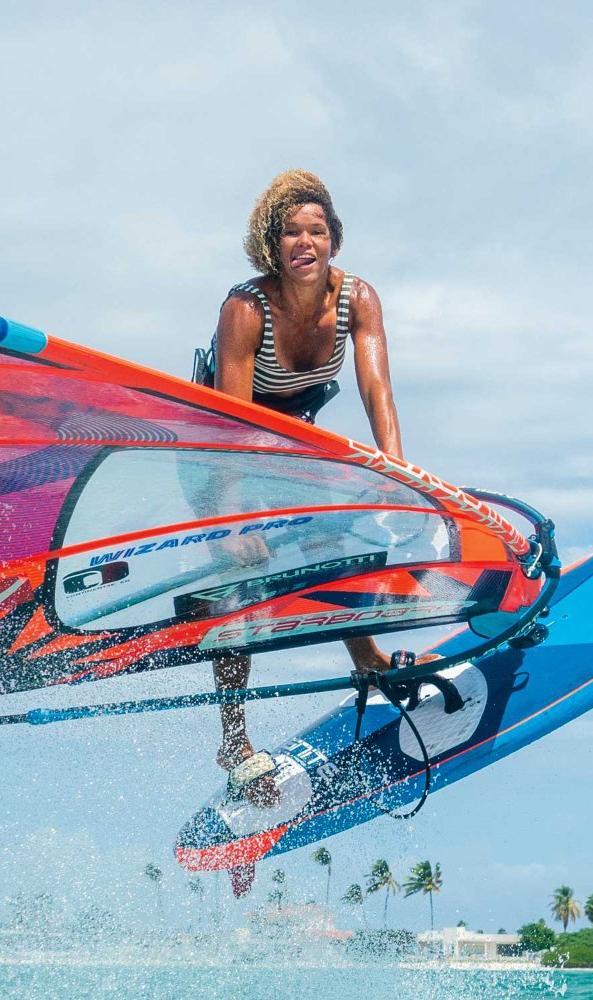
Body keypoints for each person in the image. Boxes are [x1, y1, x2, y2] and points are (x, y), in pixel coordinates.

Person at [197, 170, 426, 820]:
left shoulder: (358, 300)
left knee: (336, 537)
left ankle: (367, 661)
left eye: (316, 231)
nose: (305, 242)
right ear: (272, 245)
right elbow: (230, 423)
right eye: (291, 232)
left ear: (333, 239)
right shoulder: (245, 308)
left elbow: (378, 394)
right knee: (236, 584)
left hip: (292, 452)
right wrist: (234, 514)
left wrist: (400, 475)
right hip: (218, 453)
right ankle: (234, 741)